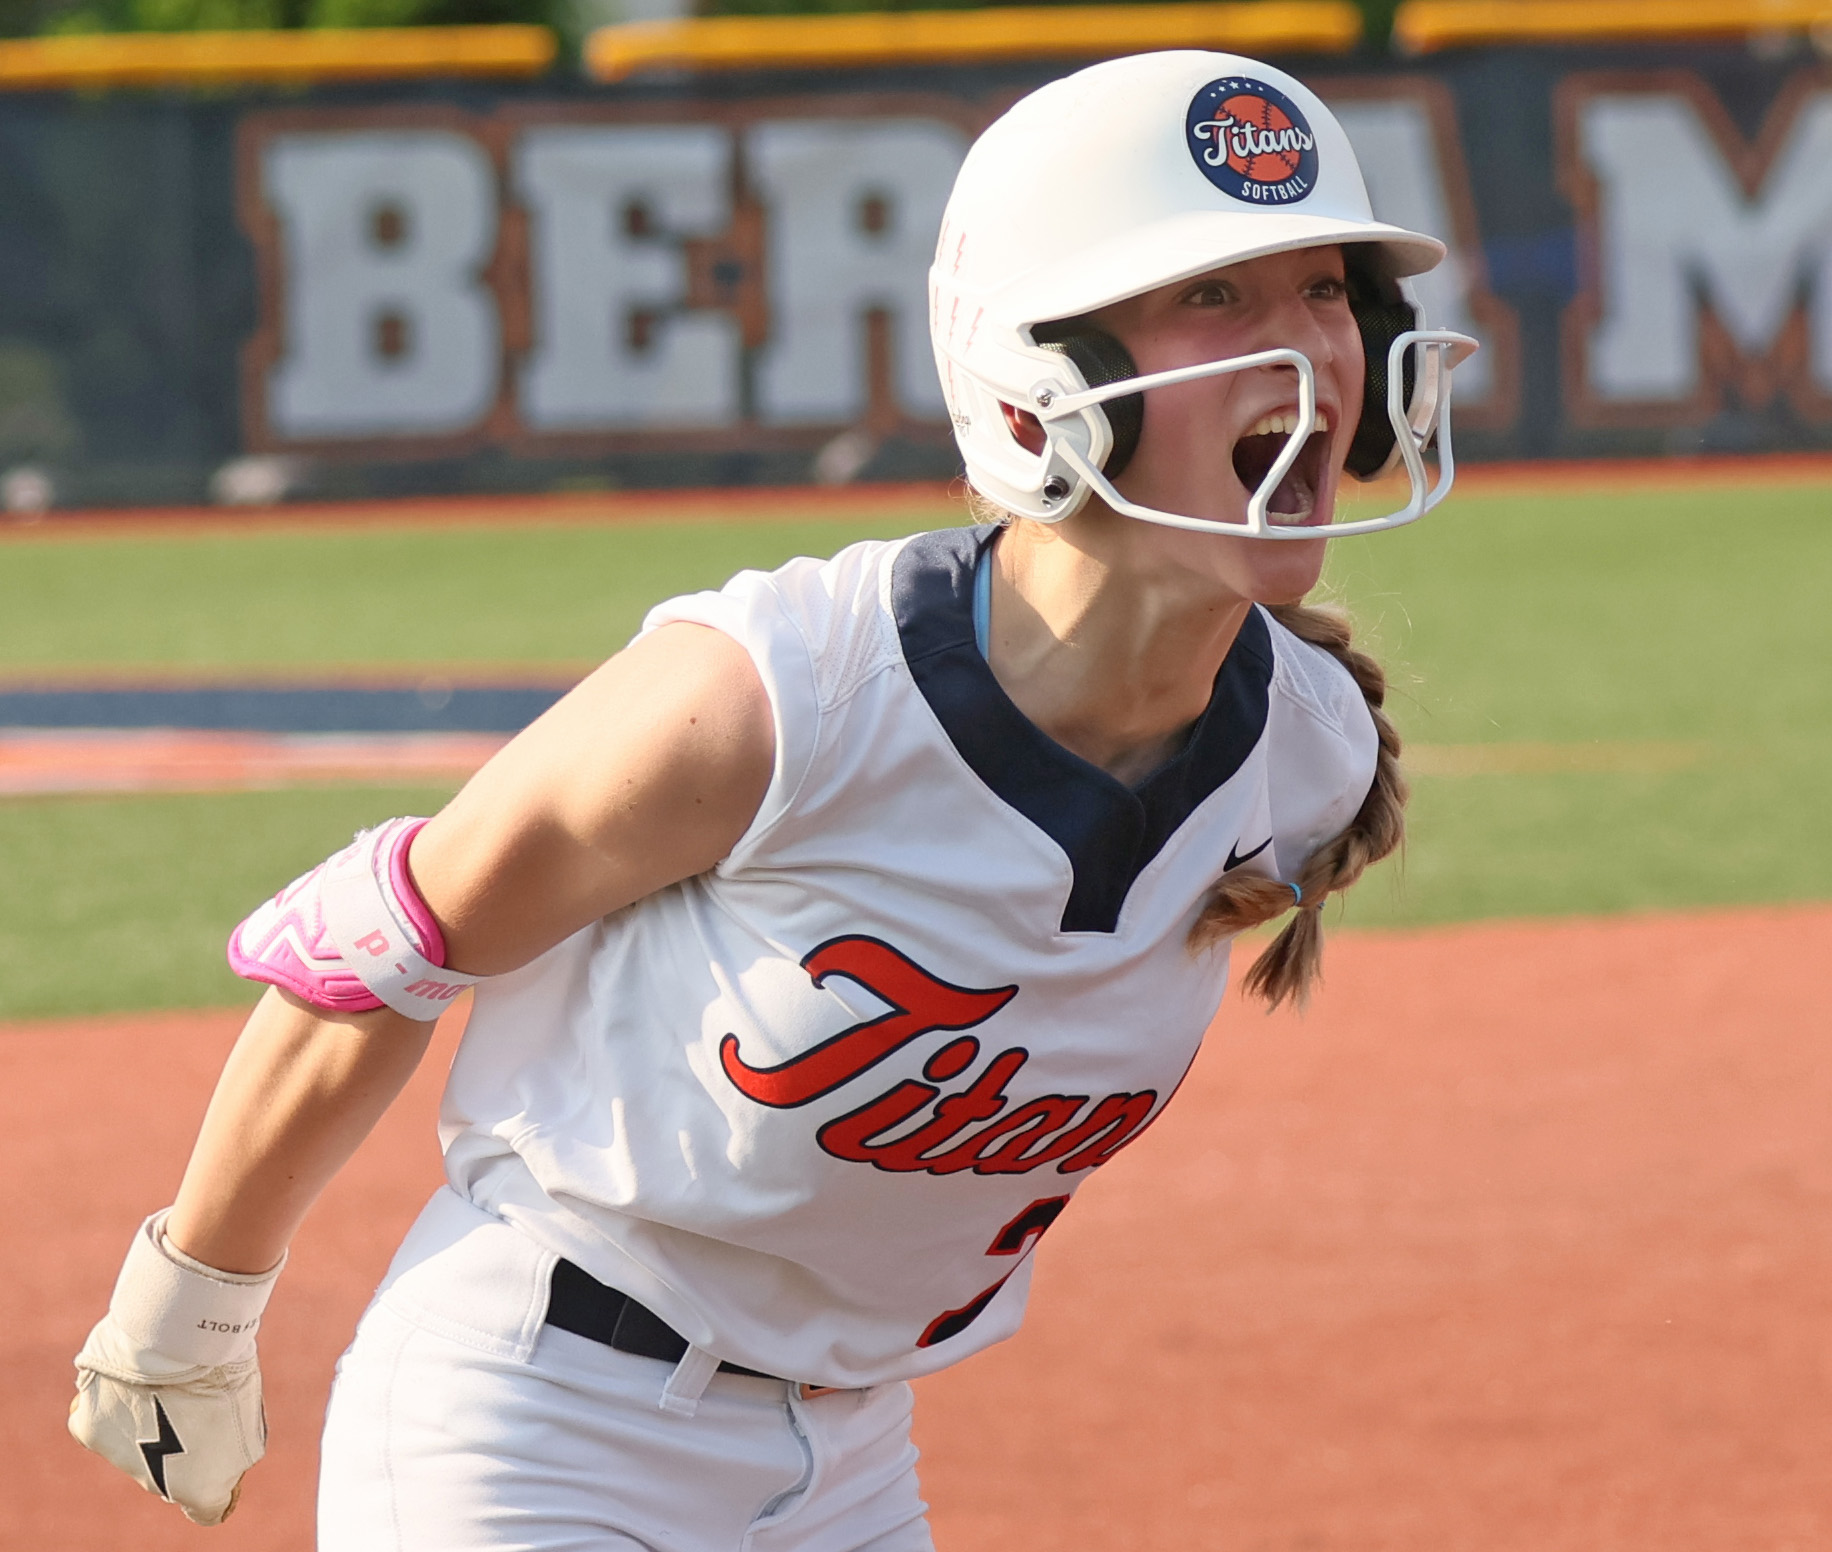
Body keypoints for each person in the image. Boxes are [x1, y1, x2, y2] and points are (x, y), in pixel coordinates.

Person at [69, 49, 1475, 1551]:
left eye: (1326, 290)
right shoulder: (783, 694)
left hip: (852, 1461)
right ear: (1038, 383)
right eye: (1215, 299)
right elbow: (379, 939)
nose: (1308, 353)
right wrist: (191, 1303)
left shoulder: (1305, 758)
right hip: (535, 1422)